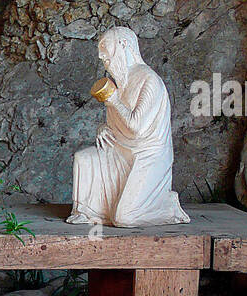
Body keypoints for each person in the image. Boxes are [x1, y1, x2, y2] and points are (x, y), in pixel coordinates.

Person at [68, 27, 189, 228]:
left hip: (148, 155)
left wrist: (115, 100)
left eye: (104, 46)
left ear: (123, 44)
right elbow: (117, 124)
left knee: (125, 218)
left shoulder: (149, 81)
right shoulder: (120, 82)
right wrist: (103, 128)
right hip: (121, 149)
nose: (100, 55)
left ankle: (168, 206)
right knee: (84, 159)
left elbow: (137, 128)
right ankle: (88, 212)